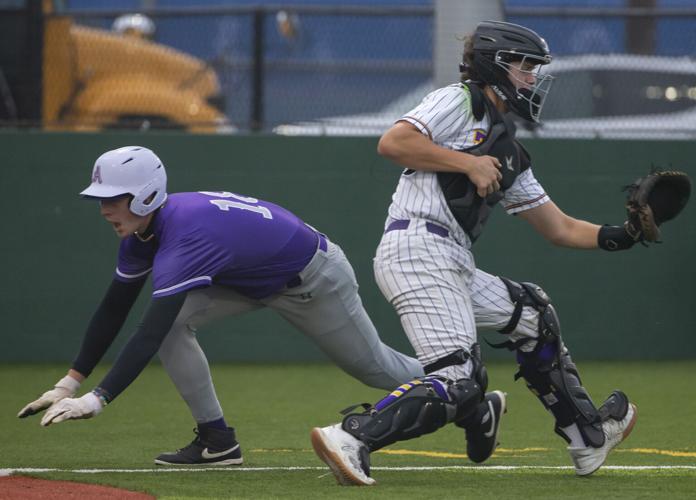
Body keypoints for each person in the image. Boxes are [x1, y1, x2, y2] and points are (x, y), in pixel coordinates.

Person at [310, 21, 640, 486]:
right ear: (495, 65)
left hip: (451, 258)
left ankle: (587, 436)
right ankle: (351, 436)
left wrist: (622, 234)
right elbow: (394, 142)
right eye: (525, 67)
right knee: (458, 380)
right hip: (417, 248)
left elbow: (560, 228)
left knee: (533, 314)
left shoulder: (508, 148)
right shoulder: (460, 99)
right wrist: (466, 161)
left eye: (533, 69)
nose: (532, 78)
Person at [17, 146, 424, 465]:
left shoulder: (184, 237)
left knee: (377, 369)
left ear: (145, 196)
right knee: (174, 326)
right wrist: (68, 384)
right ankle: (218, 442)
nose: (104, 209)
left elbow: (148, 331)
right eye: (100, 198)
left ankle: (458, 382)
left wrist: (96, 399)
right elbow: (114, 308)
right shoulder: (142, 233)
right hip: (251, 279)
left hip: (312, 277)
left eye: (114, 198)